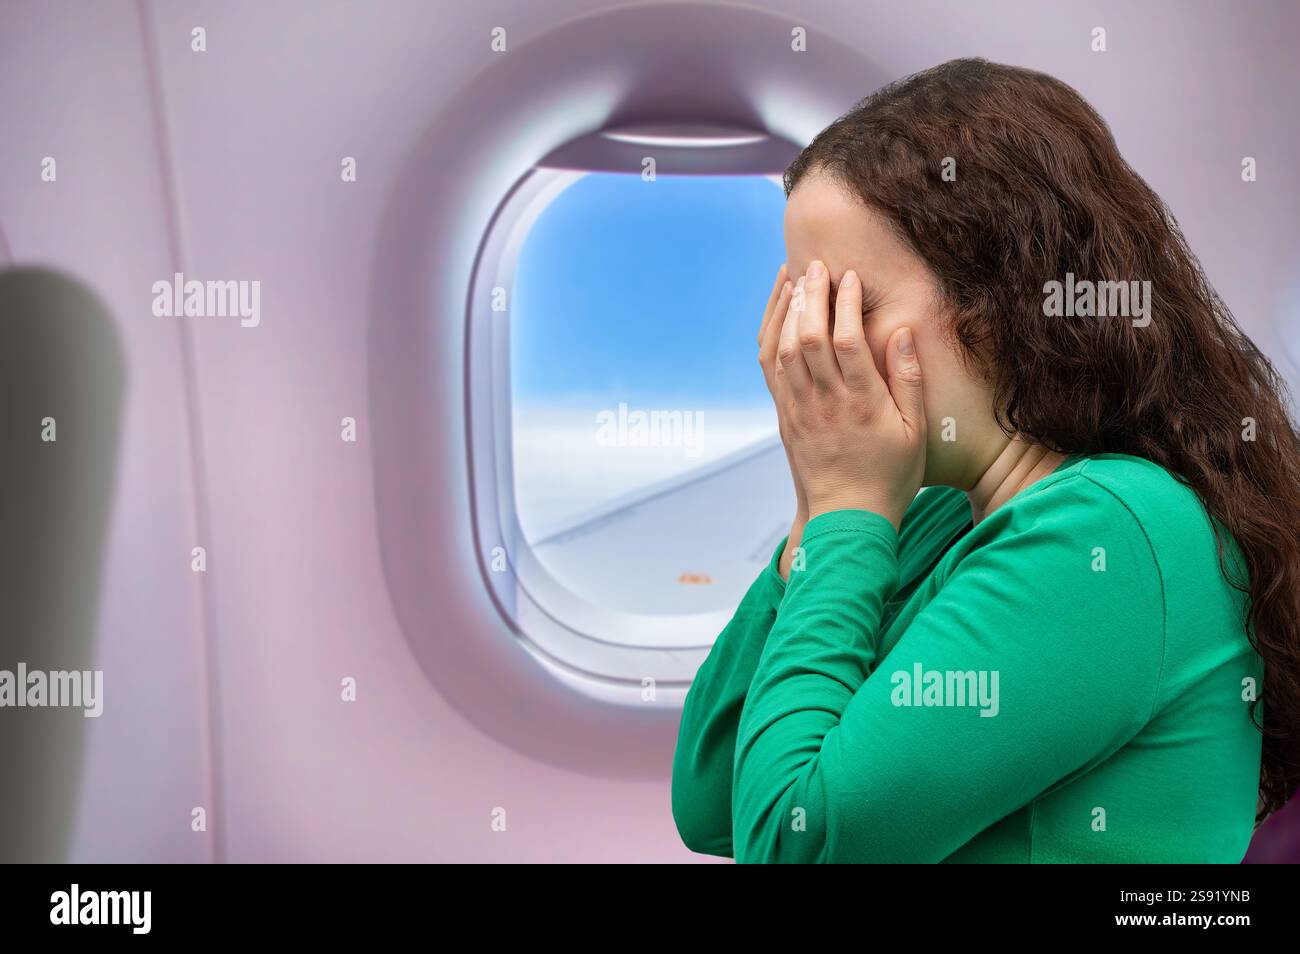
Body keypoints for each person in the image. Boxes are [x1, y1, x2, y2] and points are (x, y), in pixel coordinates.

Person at [671, 58, 1300, 863]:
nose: (812, 349)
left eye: (849, 306)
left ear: (1001, 304)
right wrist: (814, 517)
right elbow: (712, 799)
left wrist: (844, 508)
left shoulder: (1112, 535)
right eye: (803, 307)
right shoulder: (929, 516)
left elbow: (796, 843)